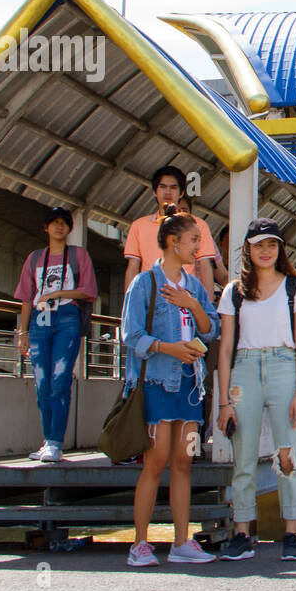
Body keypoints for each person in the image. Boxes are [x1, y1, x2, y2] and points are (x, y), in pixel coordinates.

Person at [123, 212, 221, 567]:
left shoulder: (194, 285)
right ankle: (140, 543)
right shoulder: (145, 283)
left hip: (190, 385)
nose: (198, 246)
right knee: (156, 460)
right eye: (193, 240)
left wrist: (194, 306)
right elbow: (131, 336)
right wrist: (169, 349)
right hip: (155, 383)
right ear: (173, 242)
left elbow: (211, 330)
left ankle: (182, 541)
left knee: (184, 461)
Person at [215, 218, 296, 563]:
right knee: (243, 455)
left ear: (280, 249)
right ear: (248, 249)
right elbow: (225, 347)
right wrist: (223, 400)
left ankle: (290, 532)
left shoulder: (294, 288)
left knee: (287, 452)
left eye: (272, 245)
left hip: (284, 366)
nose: (266, 251)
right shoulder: (233, 292)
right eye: (259, 245)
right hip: (244, 368)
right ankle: (243, 533)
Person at [14, 207, 98, 463]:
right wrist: (23, 332)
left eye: (64, 223)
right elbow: (26, 297)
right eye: (54, 223)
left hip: (67, 319)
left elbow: (89, 290)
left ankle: (55, 443)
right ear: (46, 227)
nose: (59, 227)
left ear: (70, 228)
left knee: (60, 379)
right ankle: (47, 439)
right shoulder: (35, 258)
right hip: (40, 321)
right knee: (42, 383)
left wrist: (58, 294)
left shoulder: (78, 255)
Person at [123, 165, 218, 292]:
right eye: (162, 187)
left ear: (181, 193)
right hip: (150, 298)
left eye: (173, 187)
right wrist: (130, 305)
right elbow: (133, 267)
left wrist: (208, 305)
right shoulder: (138, 226)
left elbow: (205, 267)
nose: (168, 192)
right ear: (154, 192)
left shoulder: (198, 225)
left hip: (186, 298)